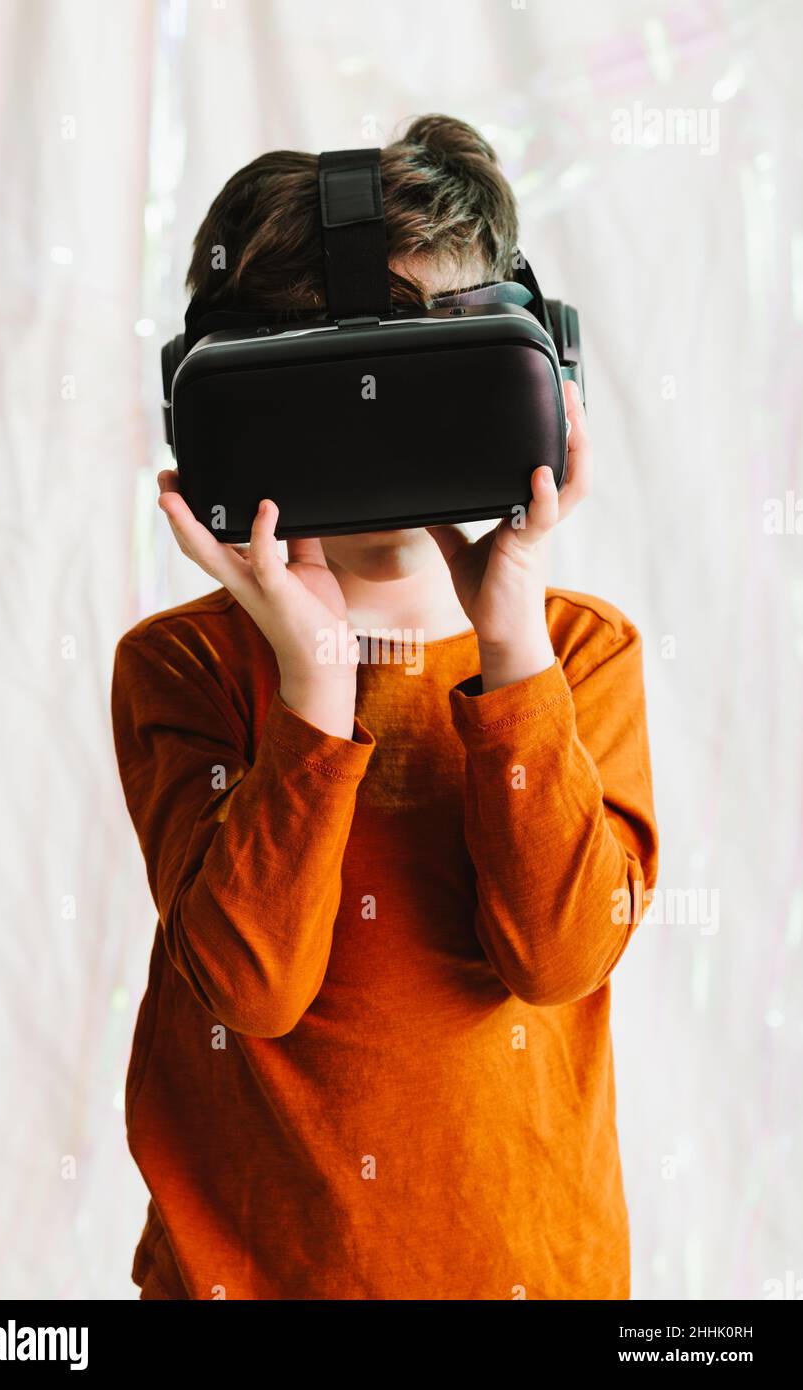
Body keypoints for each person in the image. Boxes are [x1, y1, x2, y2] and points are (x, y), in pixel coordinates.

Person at [110, 114, 659, 1300]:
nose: (372, 433)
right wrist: (313, 685)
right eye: (322, 391)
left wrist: (510, 651)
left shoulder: (577, 651)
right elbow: (253, 988)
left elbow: (556, 958)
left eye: (417, 383)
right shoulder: (185, 668)